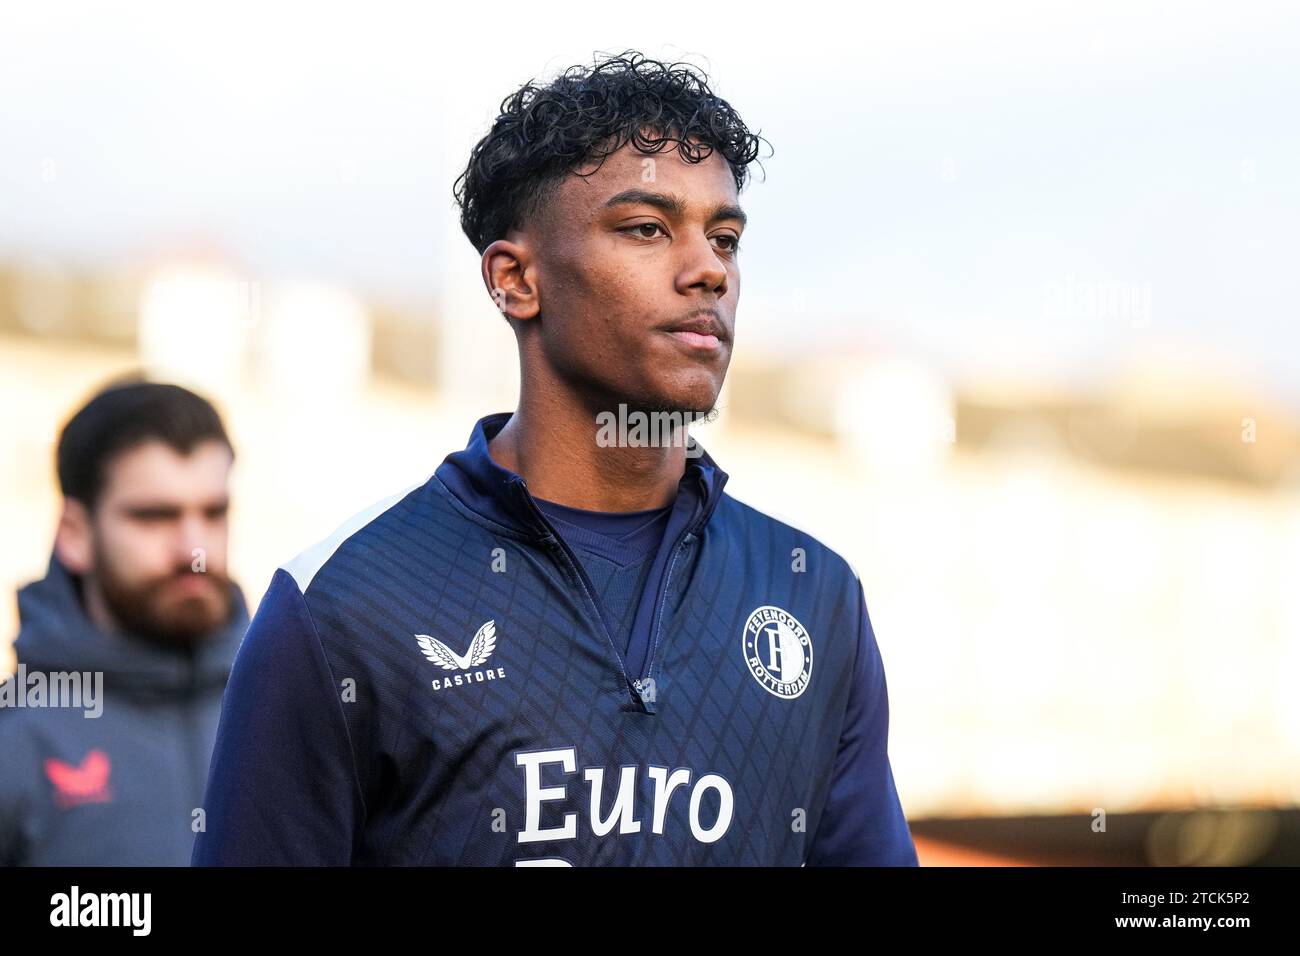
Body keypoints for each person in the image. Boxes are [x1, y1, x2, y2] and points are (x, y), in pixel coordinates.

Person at [193, 50, 918, 866]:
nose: (708, 269)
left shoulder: (811, 594)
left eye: (724, 237)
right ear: (516, 281)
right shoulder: (343, 606)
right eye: (646, 228)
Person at [0, 378, 249, 865]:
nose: (194, 551)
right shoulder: (16, 745)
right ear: (74, 533)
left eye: (213, 513)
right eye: (155, 517)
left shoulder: (292, 713)